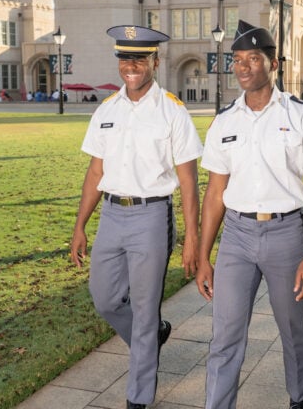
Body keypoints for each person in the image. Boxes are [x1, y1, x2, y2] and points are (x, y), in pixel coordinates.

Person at [196, 20, 303, 409]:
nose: (243, 67)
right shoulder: (224, 120)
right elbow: (215, 194)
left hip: (286, 234)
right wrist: (204, 256)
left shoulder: (300, 115)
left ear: (273, 63)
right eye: (237, 60)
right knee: (225, 332)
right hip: (237, 236)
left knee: (293, 326)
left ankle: (300, 397)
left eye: (253, 59)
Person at [70, 25, 203, 409]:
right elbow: (96, 172)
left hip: (152, 217)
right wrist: (80, 226)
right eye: (125, 59)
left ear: (155, 62)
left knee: (144, 309)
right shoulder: (106, 110)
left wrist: (192, 238)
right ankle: (152, 336)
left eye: (139, 59)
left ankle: (138, 396)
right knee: (105, 299)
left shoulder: (172, 111)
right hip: (111, 215)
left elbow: (189, 181)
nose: (131, 66)